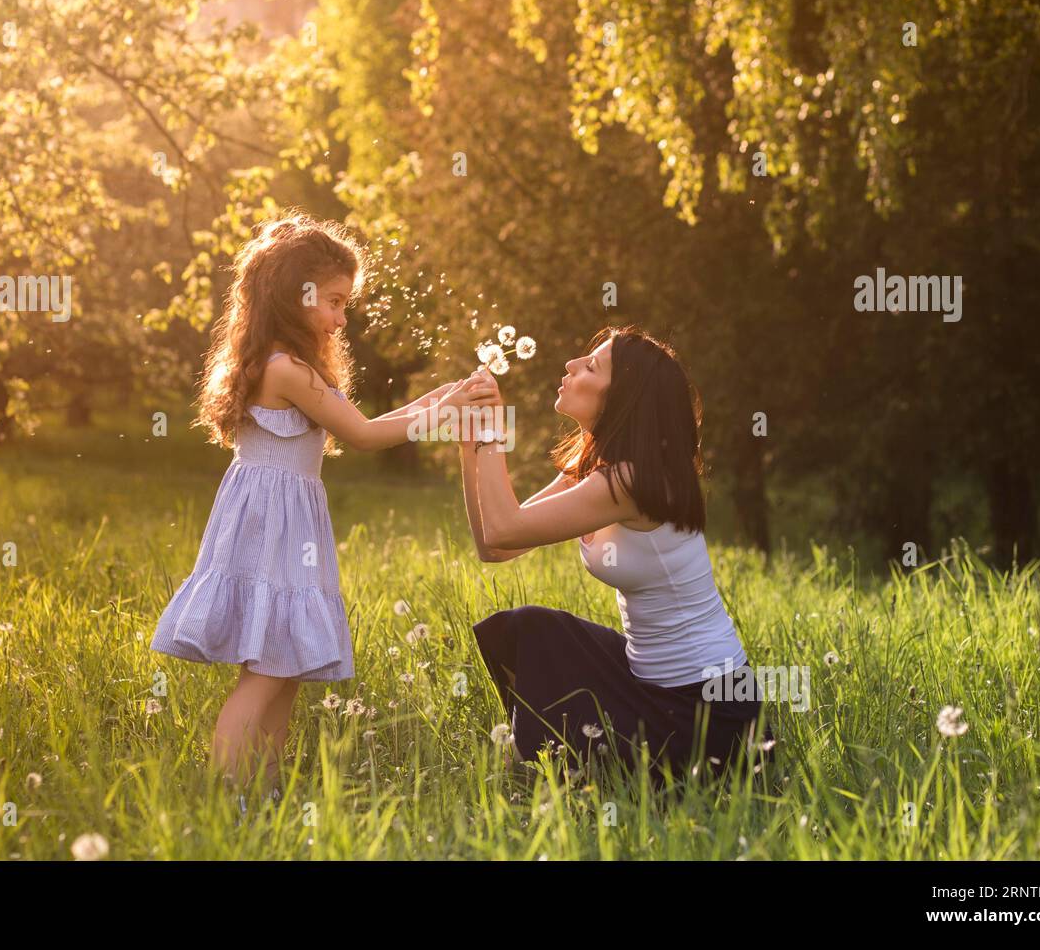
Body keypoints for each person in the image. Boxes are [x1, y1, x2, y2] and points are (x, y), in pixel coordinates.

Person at [150, 211, 497, 817]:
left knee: (283, 665)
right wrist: (450, 407)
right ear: (295, 291)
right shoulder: (285, 370)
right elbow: (364, 436)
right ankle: (223, 799)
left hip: (285, 519)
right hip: (271, 523)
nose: (341, 318)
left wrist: (449, 395)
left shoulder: (288, 364)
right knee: (263, 672)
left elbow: (372, 424)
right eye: (335, 302)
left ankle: (264, 794)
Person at [459, 325, 776, 795]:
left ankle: (574, 776)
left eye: (590, 366)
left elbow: (504, 527)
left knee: (538, 639)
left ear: (622, 397)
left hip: (708, 714)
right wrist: (472, 446)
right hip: (651, 686)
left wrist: (490, 431)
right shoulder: (598, 466)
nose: (570, 367)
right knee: (527, 631)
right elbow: (496, 546)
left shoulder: (632, 481)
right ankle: (560, 767)